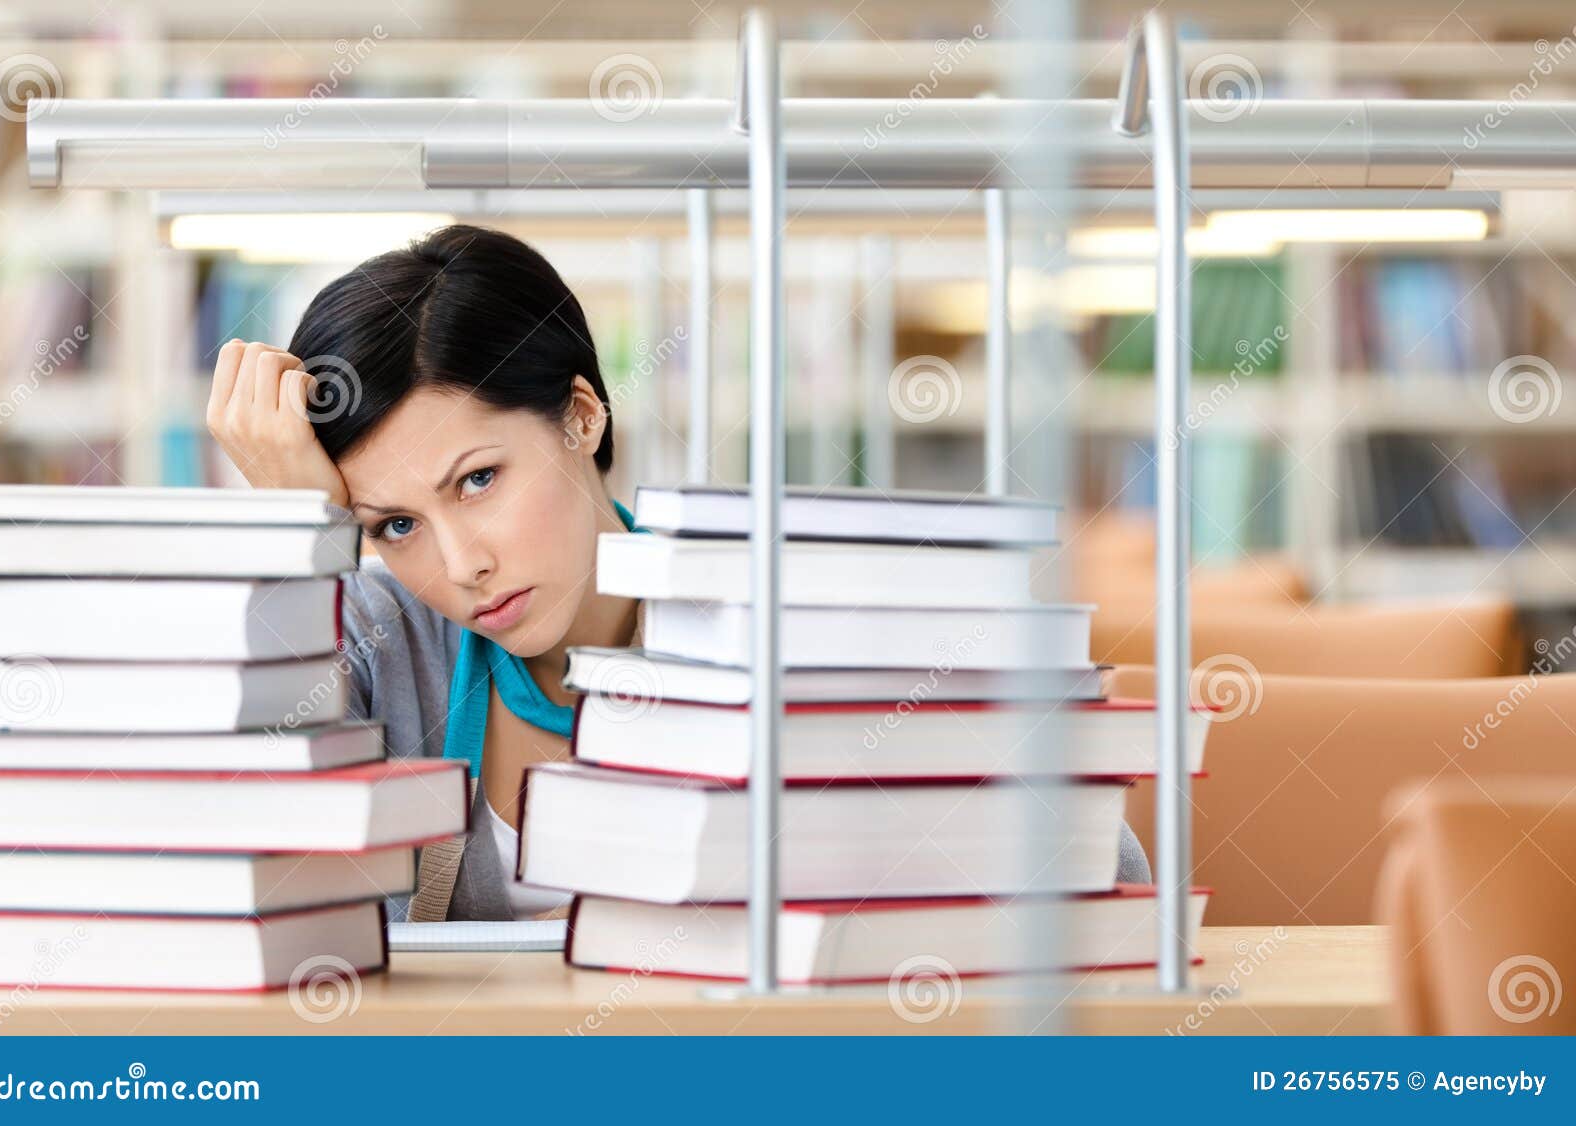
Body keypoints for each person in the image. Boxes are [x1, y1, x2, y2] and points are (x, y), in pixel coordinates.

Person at [207, 223, 1151, 921]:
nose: (462, 564)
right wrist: (298, 537)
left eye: (481, 479)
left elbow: (1102, 871)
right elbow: (236, 878)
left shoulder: (776, 615)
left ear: (582, 416)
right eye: (397, 523)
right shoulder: (371, 637)